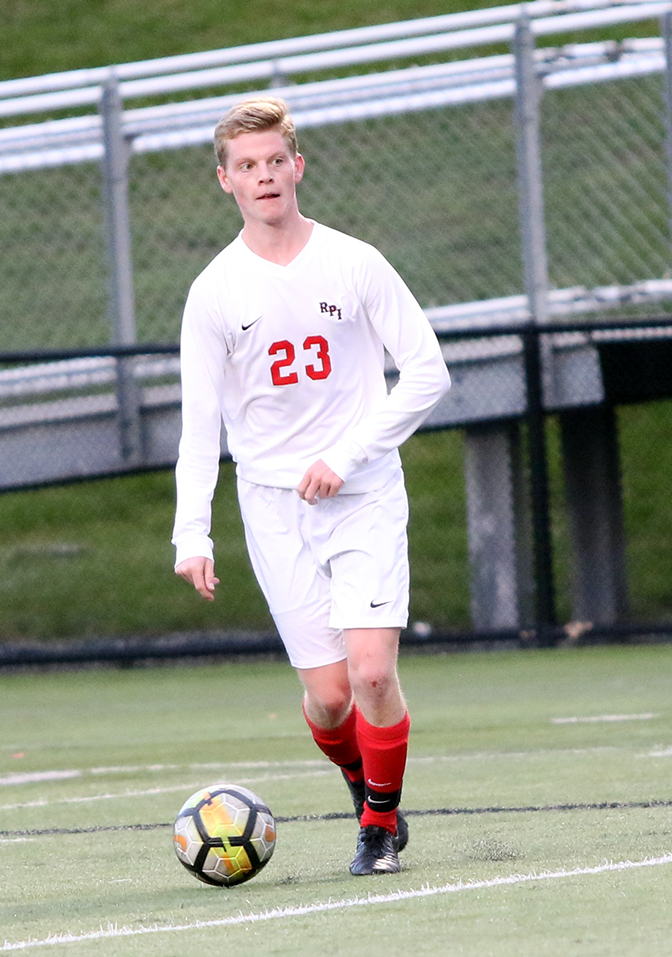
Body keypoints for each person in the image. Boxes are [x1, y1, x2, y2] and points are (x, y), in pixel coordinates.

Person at [172, 97, 451, 874]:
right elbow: (200, 424)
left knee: (371, 673)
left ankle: (378, 828)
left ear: (298, 167)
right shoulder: (214, 291)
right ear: (224, 180)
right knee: (330, 699)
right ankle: (366, 786)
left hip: (361, 494)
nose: (264, 177)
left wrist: (352, 454)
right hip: (272, 508)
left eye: (275, 162)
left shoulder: (353, 261)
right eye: (246, 166)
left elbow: (427, 372)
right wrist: (191, 533)